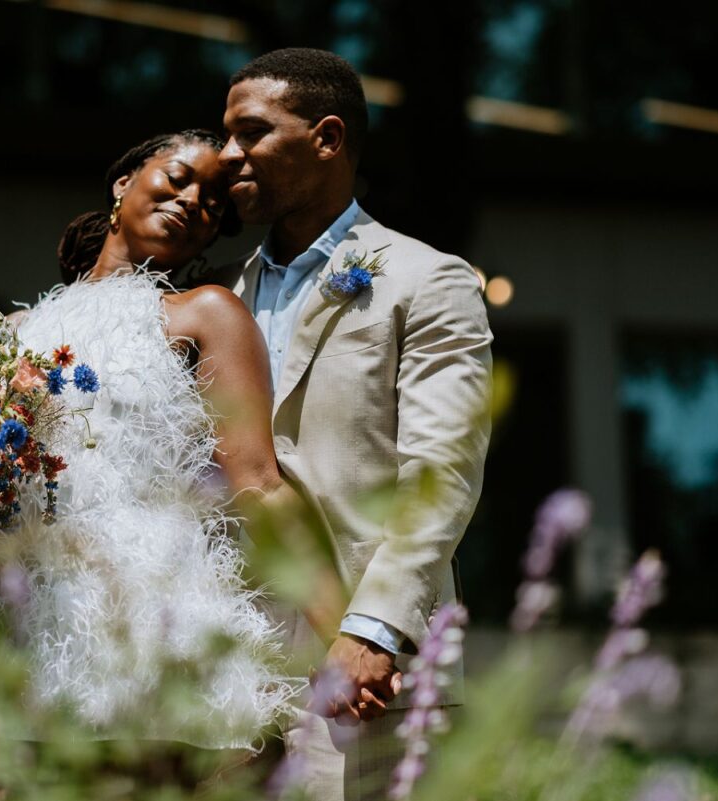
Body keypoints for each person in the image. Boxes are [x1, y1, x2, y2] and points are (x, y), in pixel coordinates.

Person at [0, 129, 342, 761]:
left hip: (148, 609)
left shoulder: (205, 313)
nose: (196, 199)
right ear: (123, 184)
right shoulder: (9, 334)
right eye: (180, 177)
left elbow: (257, 483)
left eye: (215, 204)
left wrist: (347, 635)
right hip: (17, 617)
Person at [216, 49, 493, 800]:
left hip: (366, 667)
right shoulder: (218, 300)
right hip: (226, 672)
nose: (226, 155)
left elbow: (442, 471)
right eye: (224, 134)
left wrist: (375, 629)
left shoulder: (424, 279)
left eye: (250, 133)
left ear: (328, 137)